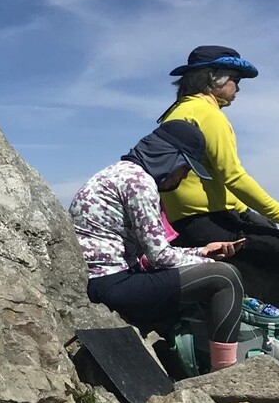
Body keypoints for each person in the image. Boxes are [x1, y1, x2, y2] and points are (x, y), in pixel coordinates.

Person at [69, 122, 247, 369]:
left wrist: (201, 251)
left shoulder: (119, 173)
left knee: (205, 273)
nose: (184, 177)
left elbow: (146, 255)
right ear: (169, 159)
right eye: (185, 168)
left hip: (103, 279)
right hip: (111, 284)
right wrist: (208, 262)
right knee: (224, 278)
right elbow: (159, 257)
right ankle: (226, 374)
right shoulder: (139, 184)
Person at [158, 45, 279, 302]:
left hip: (189, 224)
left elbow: (205, 180)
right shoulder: (207, 114)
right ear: (213, 77)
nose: (238, 88)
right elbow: (233, 176)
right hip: (213, 225)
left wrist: (245, 212)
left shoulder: (177, 112)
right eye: (235, 79)